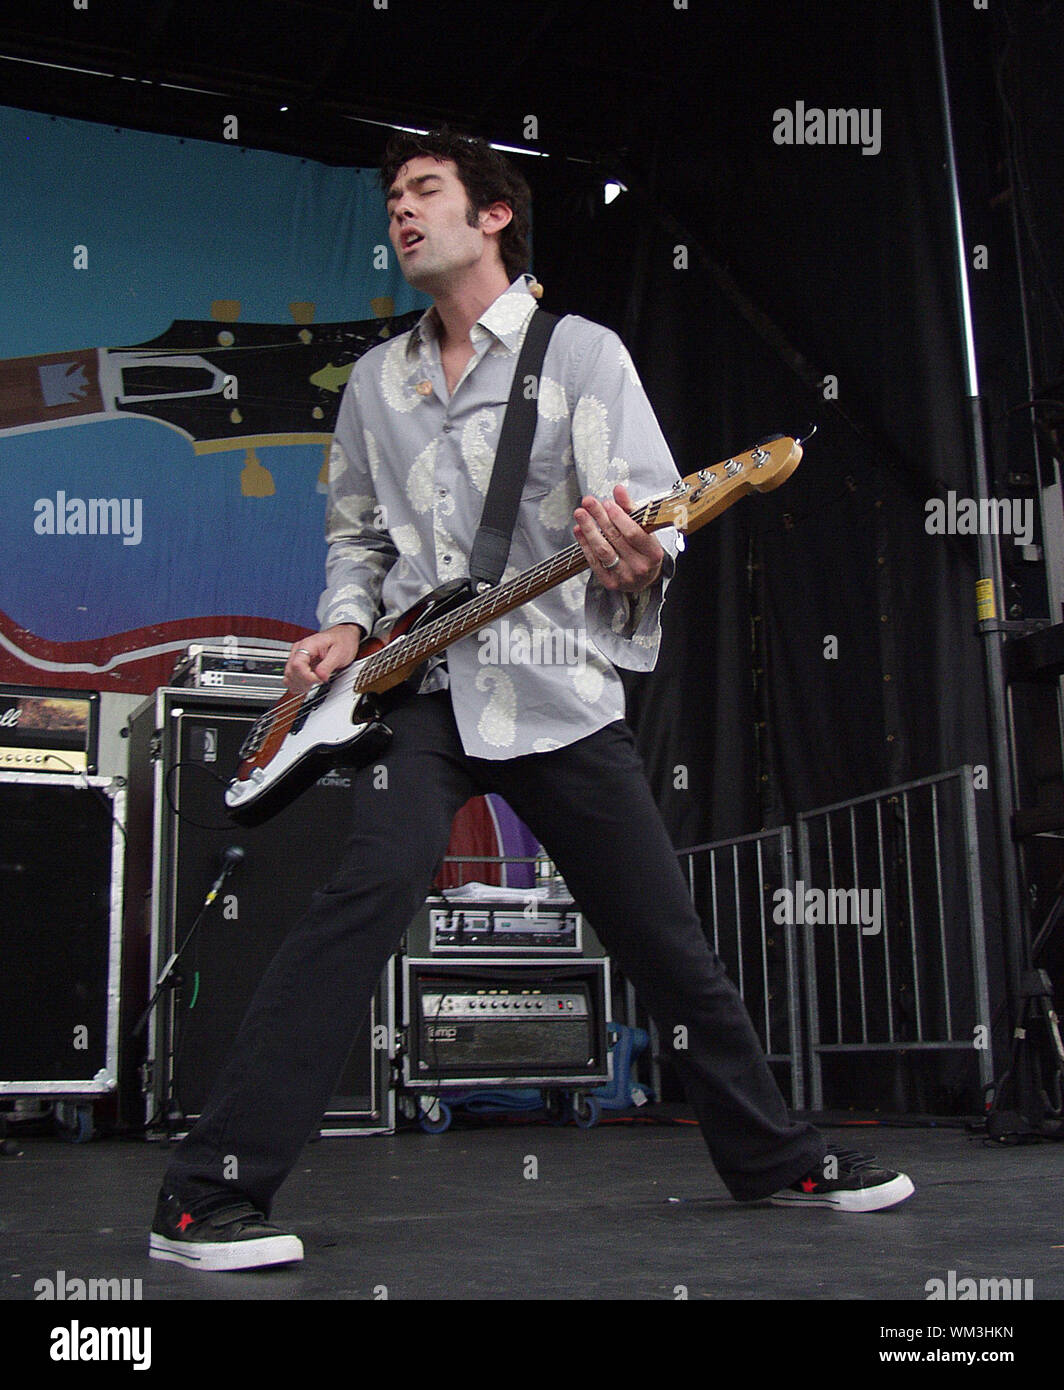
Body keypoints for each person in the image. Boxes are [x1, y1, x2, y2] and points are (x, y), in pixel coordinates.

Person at [149, 129, 913, 1272]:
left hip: (558, 690)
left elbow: (655, 516)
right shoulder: (374, 381)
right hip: (418, 691)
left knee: (667, 943)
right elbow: (354, 536)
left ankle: (773, 1158)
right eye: (391, 197)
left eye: (424, 192)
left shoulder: (583, 357)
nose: (400, 212)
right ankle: (205, 1196)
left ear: (494, 213)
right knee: (357, 903)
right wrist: (348, 625)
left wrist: (637, 562)